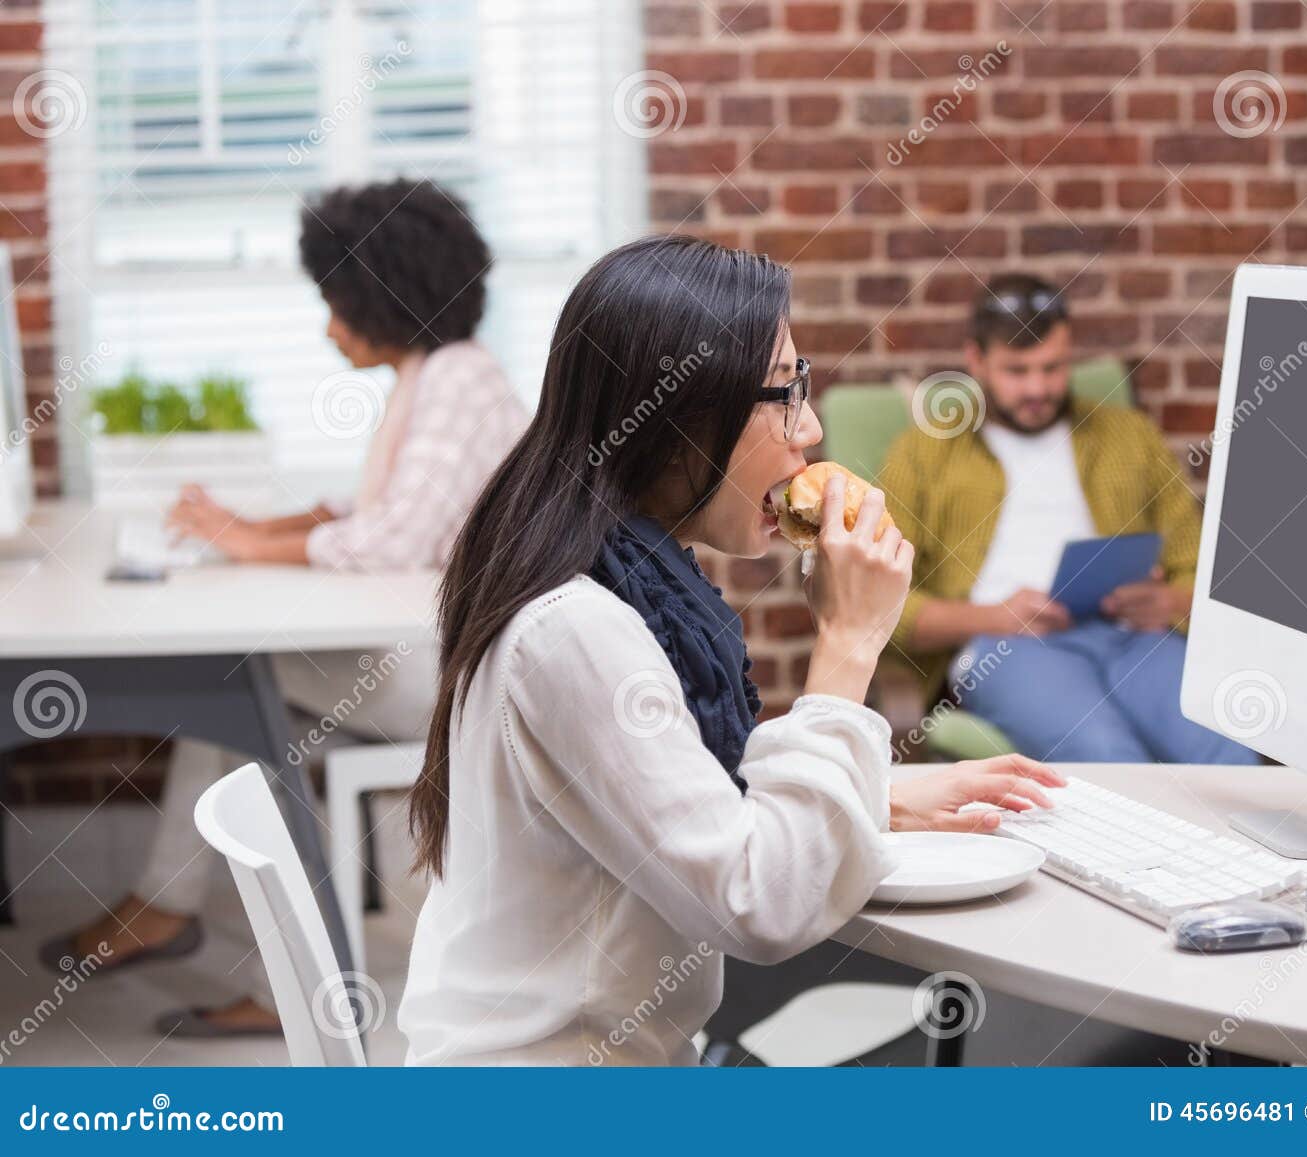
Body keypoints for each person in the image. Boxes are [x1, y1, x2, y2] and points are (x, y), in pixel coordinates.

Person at [397, 234, 1063, 1066]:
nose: (811, 427)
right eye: (784, 393)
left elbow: (676, 797)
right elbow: (764, 904)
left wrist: (880, 793)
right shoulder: (576, 630)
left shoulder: (609, 584)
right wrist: (850, 640)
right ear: (679, 417)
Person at [41, 178, 530, 1038]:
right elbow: (378, 513)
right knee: (230, 688)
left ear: (384, 297)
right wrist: (257, 525)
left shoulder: (457, 378)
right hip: (435, 652)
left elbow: (393, 539)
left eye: (336, 303)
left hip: (455, 673)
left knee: (230, 682)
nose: (329, 325)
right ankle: (200, 929)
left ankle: (206, 935)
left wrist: (241, 541)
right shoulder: (430, 376)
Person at [878, 274, 1254, 766]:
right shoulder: (925, 453)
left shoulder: (1129, 437)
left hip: (1132, 636)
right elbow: (880, 599)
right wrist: (995, 617)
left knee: (1227, 748)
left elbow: (1200, 570)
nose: (1038, 388)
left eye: (1053, 367)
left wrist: (1168, 601)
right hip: (1006, 647)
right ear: (976, 360)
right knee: (1110, 758)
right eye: (1017, 371)